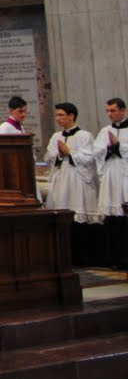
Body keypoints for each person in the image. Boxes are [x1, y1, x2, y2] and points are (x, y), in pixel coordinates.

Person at [46, 101, 101, 264]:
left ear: (71, 116)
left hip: (78, 181)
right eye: (56, 115)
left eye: (61, 115)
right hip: (61, 179)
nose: (58, 118)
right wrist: (59, 155)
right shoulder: (56, 136)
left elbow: (90, 159)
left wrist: (70, 152)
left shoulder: (85, 136)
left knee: (79, 216)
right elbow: (49, 157)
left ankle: (84, 257)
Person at [95, 98, 128, 268]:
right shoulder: (104, 131)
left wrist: (119, 145)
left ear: (123, 110)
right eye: (107, 111)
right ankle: (114, 259)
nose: (109, 114)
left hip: (125, 177)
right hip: (110, 177)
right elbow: (96, 152)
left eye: (113, 110)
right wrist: (109, 148)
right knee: (112, 219)